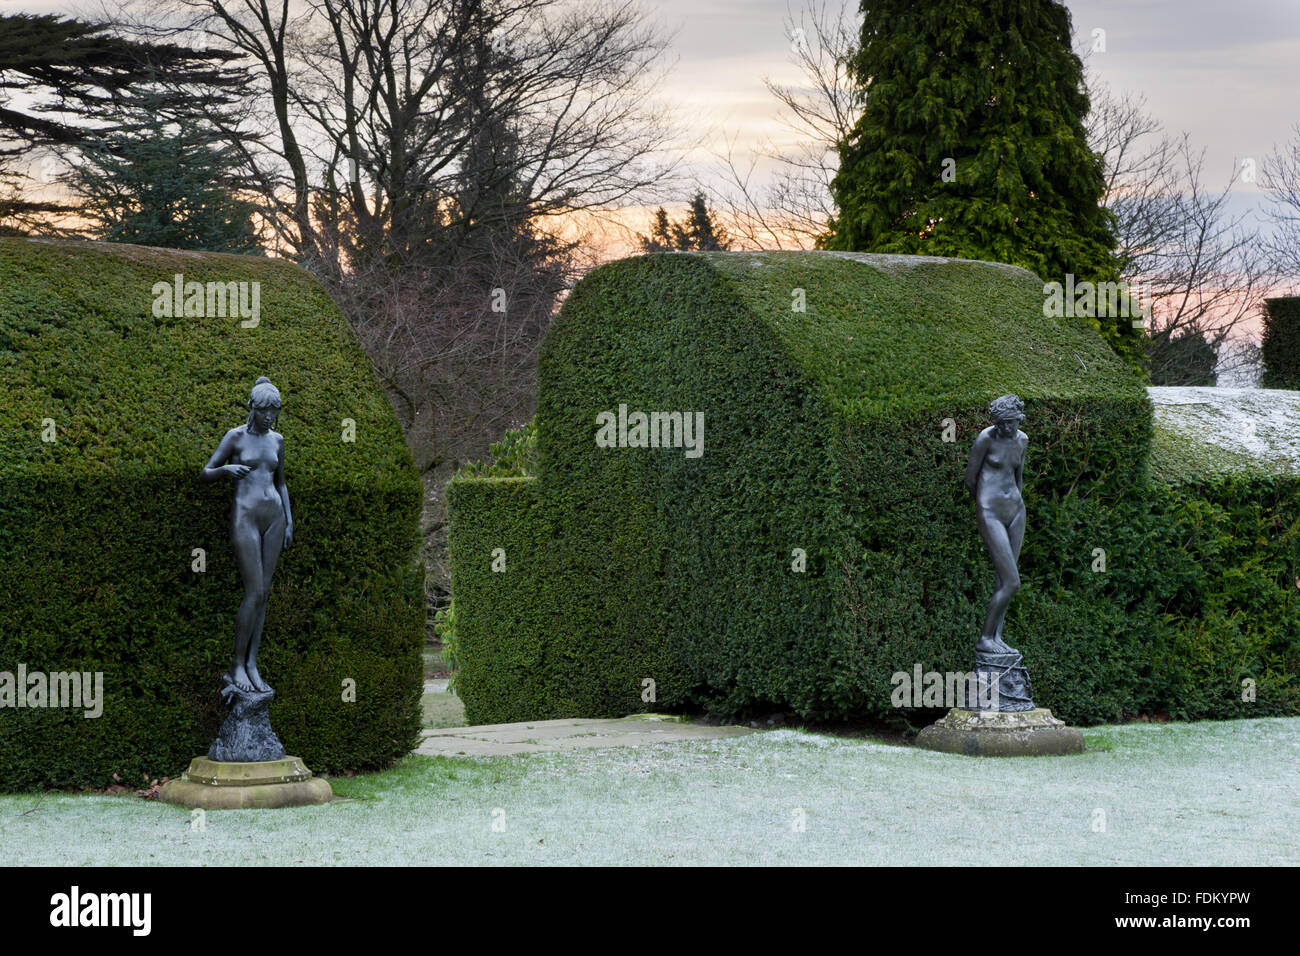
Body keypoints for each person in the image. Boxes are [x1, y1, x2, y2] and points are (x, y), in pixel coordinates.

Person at [200, 377, 293, 694]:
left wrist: (290, 521)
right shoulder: (235, 437)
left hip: (274, 516)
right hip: (246, 517)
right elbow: (205, 472)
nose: (270, 418)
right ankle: (237, 664)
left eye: (275, 412)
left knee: (264, 592)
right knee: (254, 591)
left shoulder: (277, 440)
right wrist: (226, 471)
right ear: (253, 408)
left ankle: (252, 663)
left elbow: (281, 483)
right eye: (266, 411)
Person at [964, 394, 1027, 656]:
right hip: (990, 512)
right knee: (1013, 582)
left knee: (1003, 579)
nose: (1006, 429)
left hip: (1016, 511)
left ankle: (996, 639)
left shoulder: (1023, 440)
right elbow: (970, 479)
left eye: (1010, 423)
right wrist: (985, 505)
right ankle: (985, 638)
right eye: (1001, 424)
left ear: (1018, 420)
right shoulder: (985, 439)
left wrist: (1017, 505)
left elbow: (1018, 475)